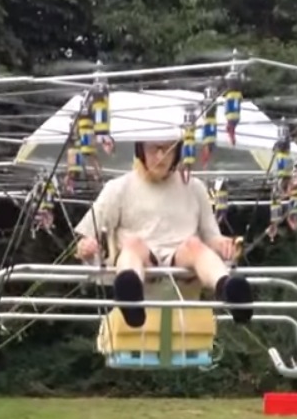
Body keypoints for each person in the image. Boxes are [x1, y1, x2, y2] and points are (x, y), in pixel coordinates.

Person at [71, 133, 253, 328]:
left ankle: (228, 288)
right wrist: (86, 247)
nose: (160, 156)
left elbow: (212, 237)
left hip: (184, 271)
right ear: (140, 149)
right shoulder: (117, 188)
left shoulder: (195, 187)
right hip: (140, 266)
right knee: (132, 245)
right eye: (153, 149)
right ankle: (130, 300)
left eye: (167, 149)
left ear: (177, 151)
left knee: (195, 245)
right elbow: (85, 239)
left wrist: (224, 244)